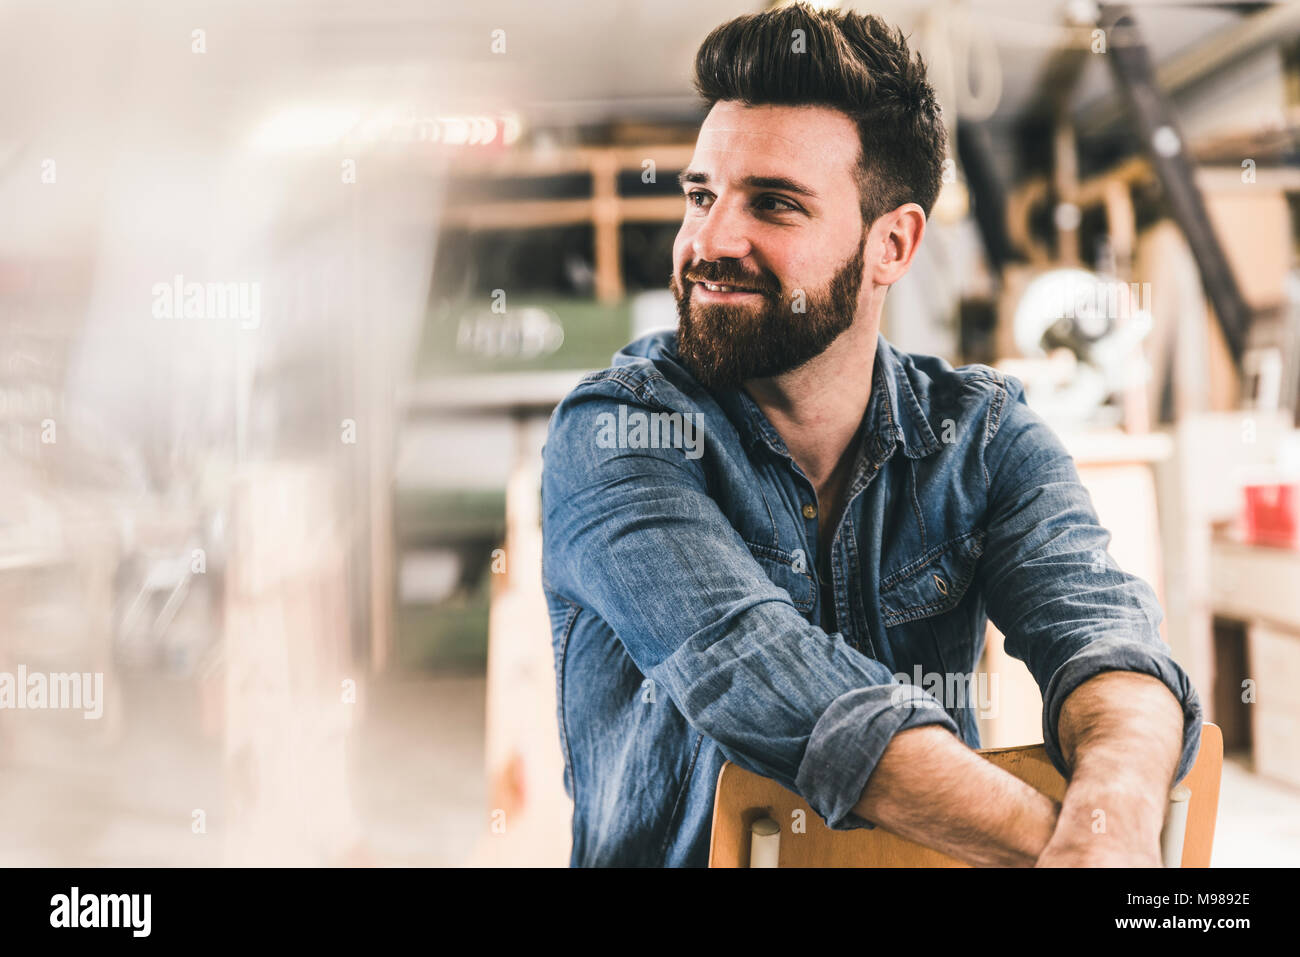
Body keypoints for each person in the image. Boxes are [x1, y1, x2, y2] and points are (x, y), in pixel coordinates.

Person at [540, 2, 1201, 867]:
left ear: (893, 244)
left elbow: (1109, 641)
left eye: (773, 205)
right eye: (702, 194)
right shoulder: (618, 434)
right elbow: (766, 678)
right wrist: (1070, 853)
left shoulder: (984, 437)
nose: (708, 239)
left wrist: (1110, 812)